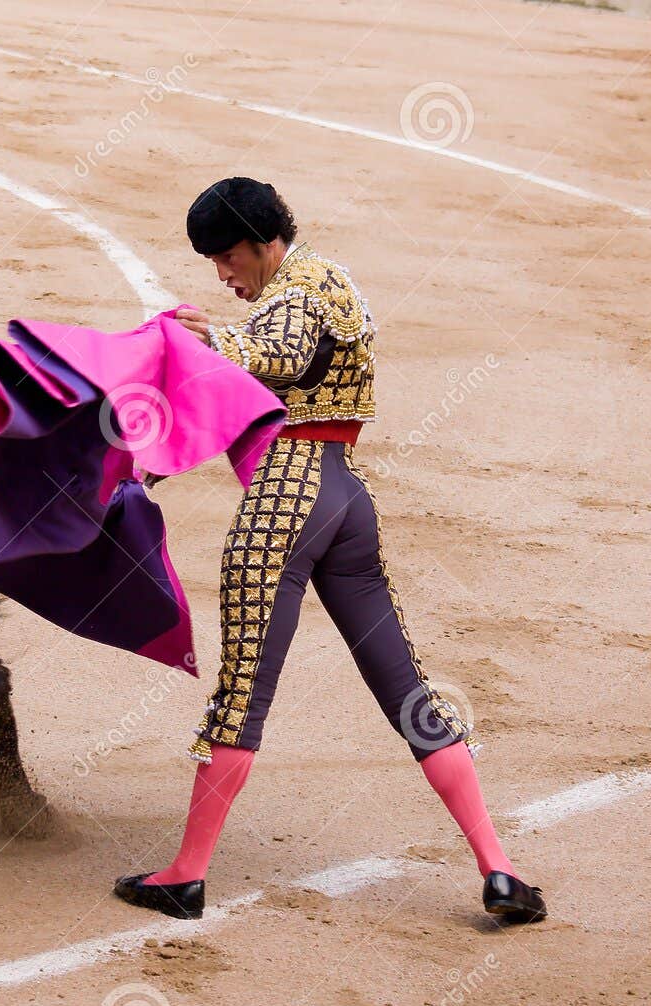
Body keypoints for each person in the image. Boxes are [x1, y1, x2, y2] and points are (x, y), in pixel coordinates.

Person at [114, 177, 546, 924]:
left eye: (226, 257)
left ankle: (185, 876)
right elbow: (261, 386)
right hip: (346, 498)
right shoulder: (332, 278)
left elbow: (274, 354)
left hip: (287, 501)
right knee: (407, 689)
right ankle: (499, 868)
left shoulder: (295, 294)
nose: (222, 274)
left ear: (261, 242)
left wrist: (210, 340)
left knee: (241, 696)